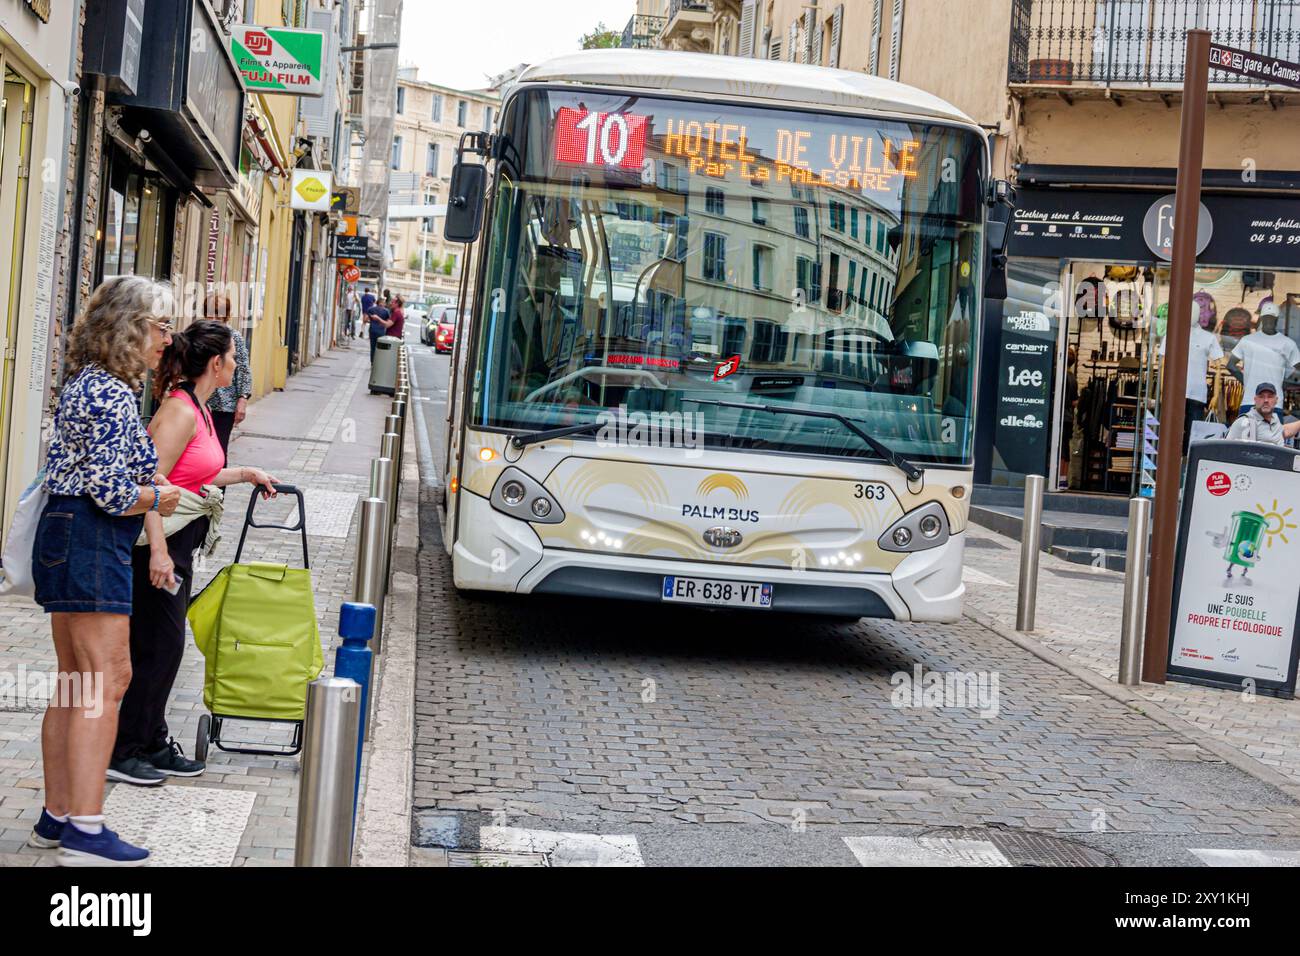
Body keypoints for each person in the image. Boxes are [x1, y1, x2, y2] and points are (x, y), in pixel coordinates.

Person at [29, 276, 182, 866]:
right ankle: (86, 832)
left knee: (74, 679)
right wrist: (159, 499)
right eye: (161, 327)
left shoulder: (86, 384)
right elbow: (116, 493)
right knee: (107, 678)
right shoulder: (111, 393)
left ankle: (59, 815)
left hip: (67, 535)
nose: (166, 341)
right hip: (93, 539)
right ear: (131, 328)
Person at [104, 320, 280, 787]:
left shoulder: (199, 408)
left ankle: (153, 740)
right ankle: (124, 750)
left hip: (181, 542)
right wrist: (159, 552)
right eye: (234, 358)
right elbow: (149, 483)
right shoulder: (181, 410)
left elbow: (193, 472)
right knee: (159, 646)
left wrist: (245, 474)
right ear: (216, 364)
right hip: (158, 546)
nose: (238, 365)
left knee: (164, 645)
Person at [1159, 302, 1224, 454]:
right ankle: (1170, 468)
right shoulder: (1173, 334)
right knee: (1172, 435)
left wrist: (1215, 395)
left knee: (1193, 437)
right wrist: (1163, 390)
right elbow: (1163, 363)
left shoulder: (1208, 338)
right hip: (1175, 393)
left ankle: (1186, 469)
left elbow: (1218, 366)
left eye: (1195, 311)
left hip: (1197, 394)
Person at [202, 293, 252, 464]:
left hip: (224, 406)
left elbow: (243, 369)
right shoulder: (198, 334)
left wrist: (242, 399)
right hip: (201, 401)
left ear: (226, 314)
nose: (214, 317)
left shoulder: (234, 337)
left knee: (219, 451)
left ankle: (217, 490)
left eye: (219, 312)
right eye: (211, 312)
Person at [1228, 302, 1300, 416]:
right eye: (1266, 319)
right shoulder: (1247, 340)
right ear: (1261, 319)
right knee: (1250, 433)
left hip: (1270, 403)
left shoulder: (1287, 343)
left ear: (1277, 320)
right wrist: (1246, 382)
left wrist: (1283, 384)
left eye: (1271, 319)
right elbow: (1230, 365)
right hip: (1253, 401)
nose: (1268, 322)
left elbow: (1298, 369)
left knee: (1263, 434)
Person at [1227, 382, 1300, 445]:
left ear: (1276, 400)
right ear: (1255, 400)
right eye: (1261, 397)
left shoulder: (1275, 422)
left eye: (1270, 397)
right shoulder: (1244, 422)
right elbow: (1226, 449)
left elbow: (1285, 431)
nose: (1266, 400)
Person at [367, 297, 393, 363]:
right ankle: (378, 362)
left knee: (372, 347)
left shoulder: (370, 309)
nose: (384, 304)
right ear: (382, 303)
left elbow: (366, 319)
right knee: (380, 348)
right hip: (381, 331)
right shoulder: (386, 311)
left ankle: (372, 362)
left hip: (372, 330)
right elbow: (388, 321)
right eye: (384, 303)